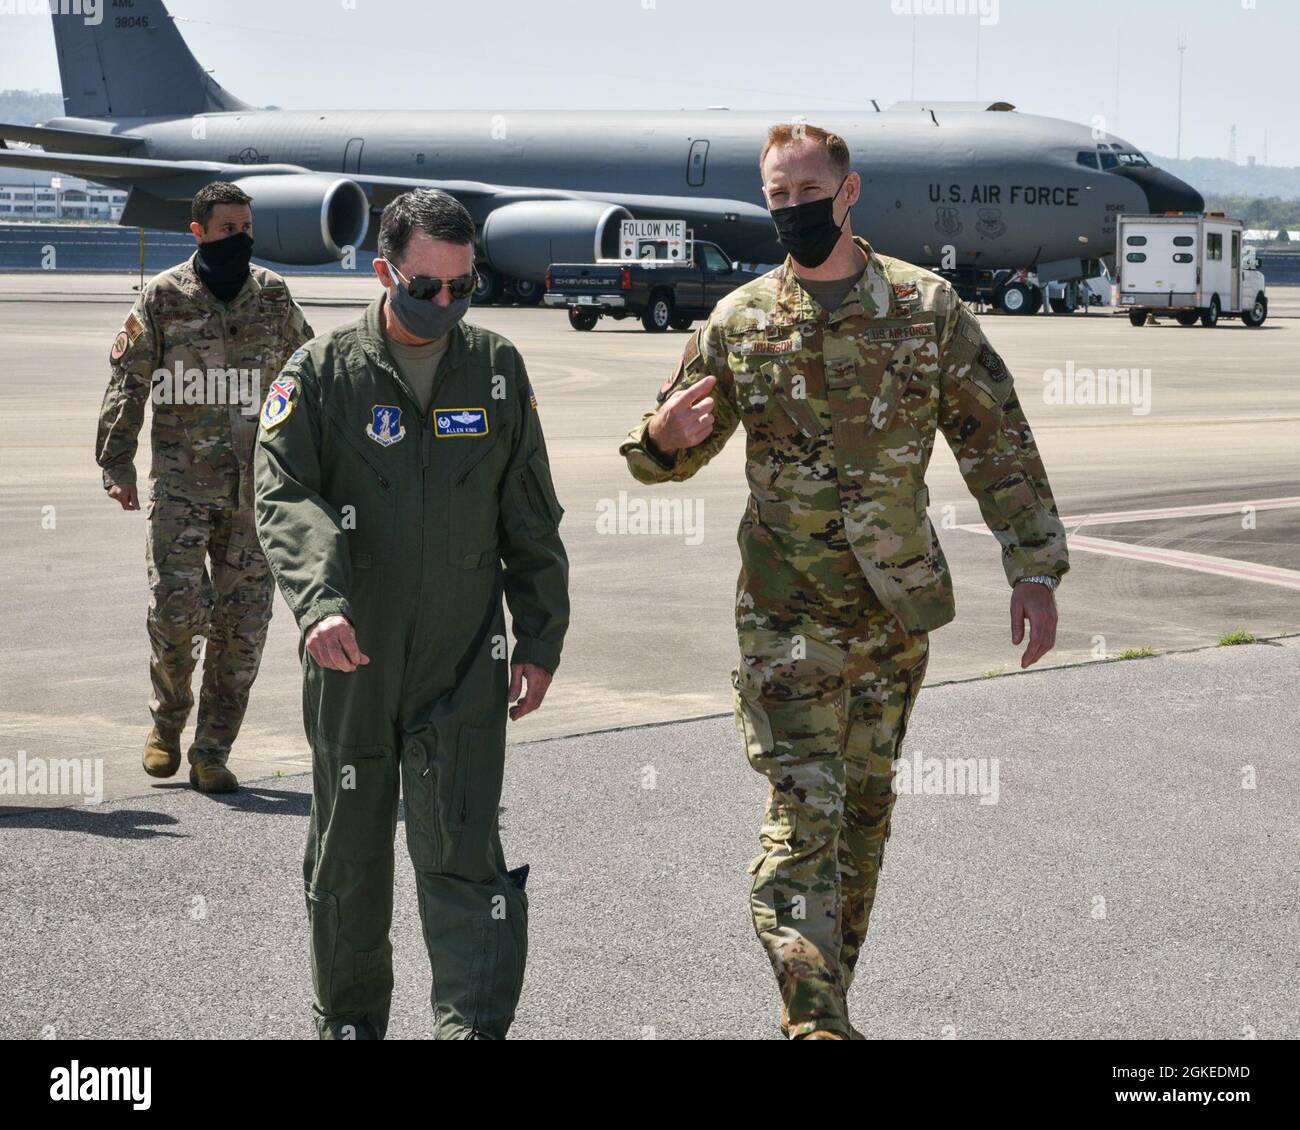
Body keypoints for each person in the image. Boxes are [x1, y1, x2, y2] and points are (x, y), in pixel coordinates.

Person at [620, 123, 1069, 1039]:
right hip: (785, 618)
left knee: (864, 815)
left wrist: (1033, 569)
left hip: (894, 612)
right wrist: (659, 444)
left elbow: (996, 439)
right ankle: (815, 1022)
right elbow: (671, 447)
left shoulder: (925, 306)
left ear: (849, 190)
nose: (791, 210)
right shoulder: (740, 320)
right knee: (802, 812)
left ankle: (829, 1003)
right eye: (776, 196)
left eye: (806, 192)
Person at [254, 188, 569, 1040]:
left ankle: (469, 1030)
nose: (445, 304)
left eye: (462, 287)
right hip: (351, 661)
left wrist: (539, 637)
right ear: (383, 269)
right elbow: (285, 497)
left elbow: (530, 514)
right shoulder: (320, 376)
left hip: (463, 662)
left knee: (466, 860)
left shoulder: (498, 369)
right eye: (426, 287)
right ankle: (350, 1027)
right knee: (349, 867)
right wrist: (319, 605)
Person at [96, 181, 313, 794]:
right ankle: (166, 724)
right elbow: (128, 380)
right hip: (183, 490)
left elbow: (310, 372)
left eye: (245, 227)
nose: (238, 238)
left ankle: (212, 751)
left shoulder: (272, 295)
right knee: (174, 617)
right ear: (198, 232)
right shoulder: (164, 297)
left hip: (257, 496)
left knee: (242, 631)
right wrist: (116, 462)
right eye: (226, 229)